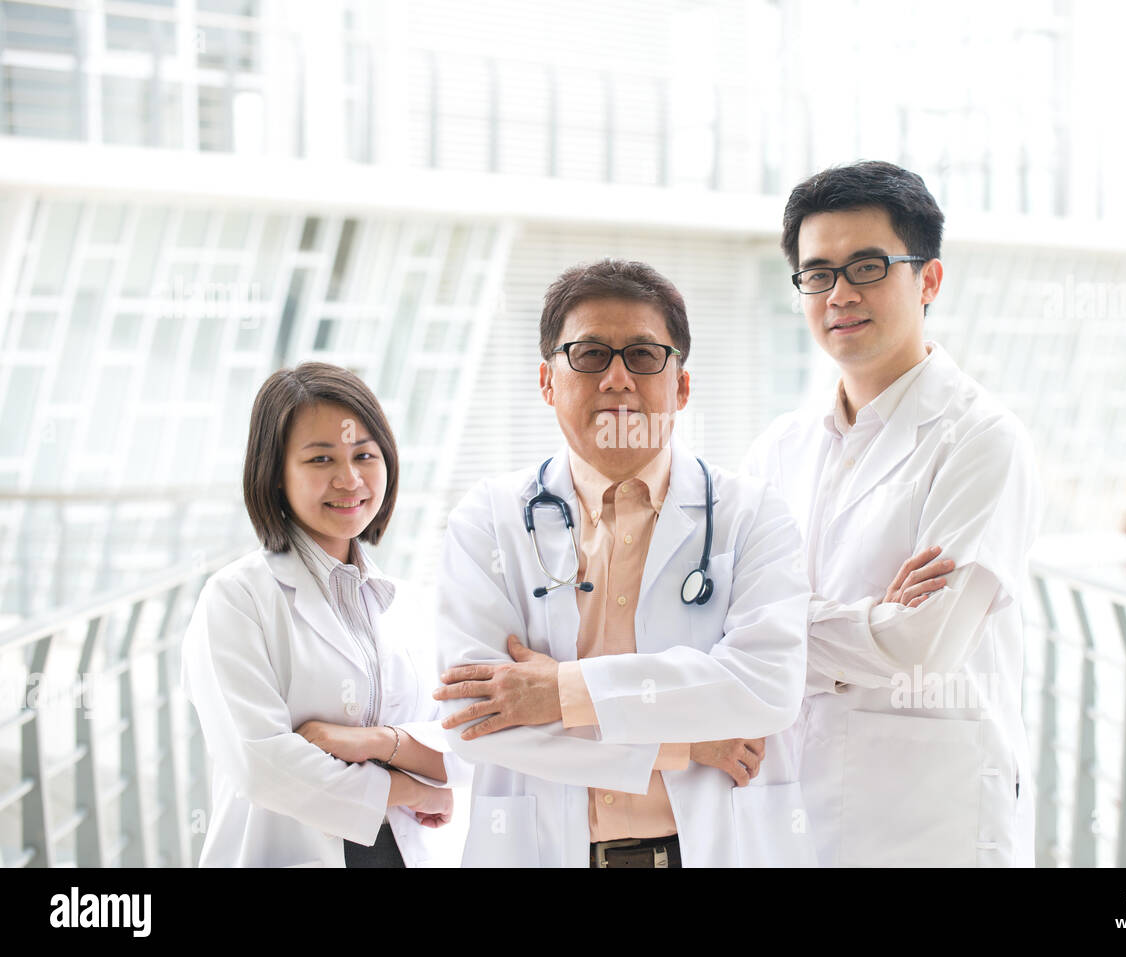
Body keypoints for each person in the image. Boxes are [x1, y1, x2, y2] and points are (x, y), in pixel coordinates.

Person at [431, 259, 813, 867]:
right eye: (588, 355)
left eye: (643, 355)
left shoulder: (752, 515)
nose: (616, 379)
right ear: (547, 381)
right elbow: (471, 719)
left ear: (681, 386)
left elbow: (765, 689)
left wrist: (559, 690)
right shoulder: (489, 519)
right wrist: (682, 743)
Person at [743, 160, 1044, 867]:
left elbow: (925, 645)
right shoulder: (776, 451)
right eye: (817, 273)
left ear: (928, 279)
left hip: (932, 826)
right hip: (791, 820)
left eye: (867, 266)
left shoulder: (981, 440)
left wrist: (781, 626)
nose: (839, 293)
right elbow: (733, 632)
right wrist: (868, 622)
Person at [181, 362, 461, 867]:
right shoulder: (237, 599)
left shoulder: (405, 603)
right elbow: (261, 765)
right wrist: (414, 791)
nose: (349, 478)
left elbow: (463, 748)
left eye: (364, 455)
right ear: (275, 474)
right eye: (320, 459)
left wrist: (375, 742)